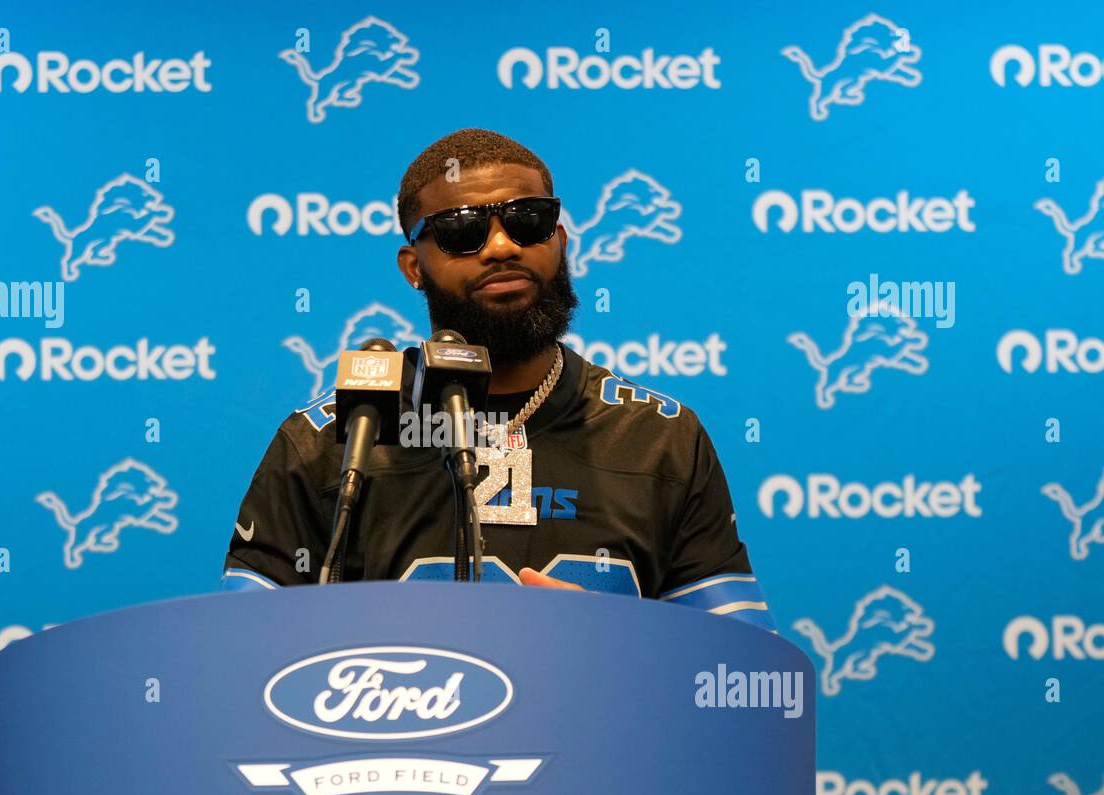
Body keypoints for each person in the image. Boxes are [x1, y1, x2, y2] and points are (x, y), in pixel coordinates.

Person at [220, 128, 773, 630]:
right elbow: (242, 656)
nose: (503, 246)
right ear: (414, 267)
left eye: (527, 220)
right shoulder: (336, 437)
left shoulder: (658, 438)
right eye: (463, 231)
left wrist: (622, 646)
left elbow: (737, 670)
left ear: (560, 239)